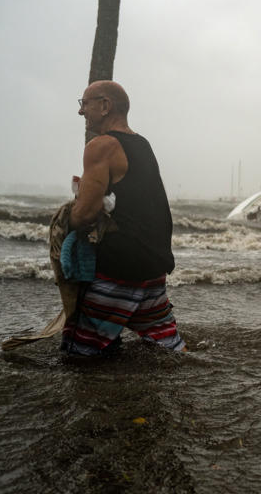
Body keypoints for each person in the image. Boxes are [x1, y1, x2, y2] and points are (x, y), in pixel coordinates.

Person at [61, 80, 186, 356]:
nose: (81, 112)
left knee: (78, 352)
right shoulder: (143, 144)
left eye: (85, 103)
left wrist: (64, 224)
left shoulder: (101, 146)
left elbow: (84, 214)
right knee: (168, 350)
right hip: (154, 267)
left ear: (105, 106)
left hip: (119, 270)